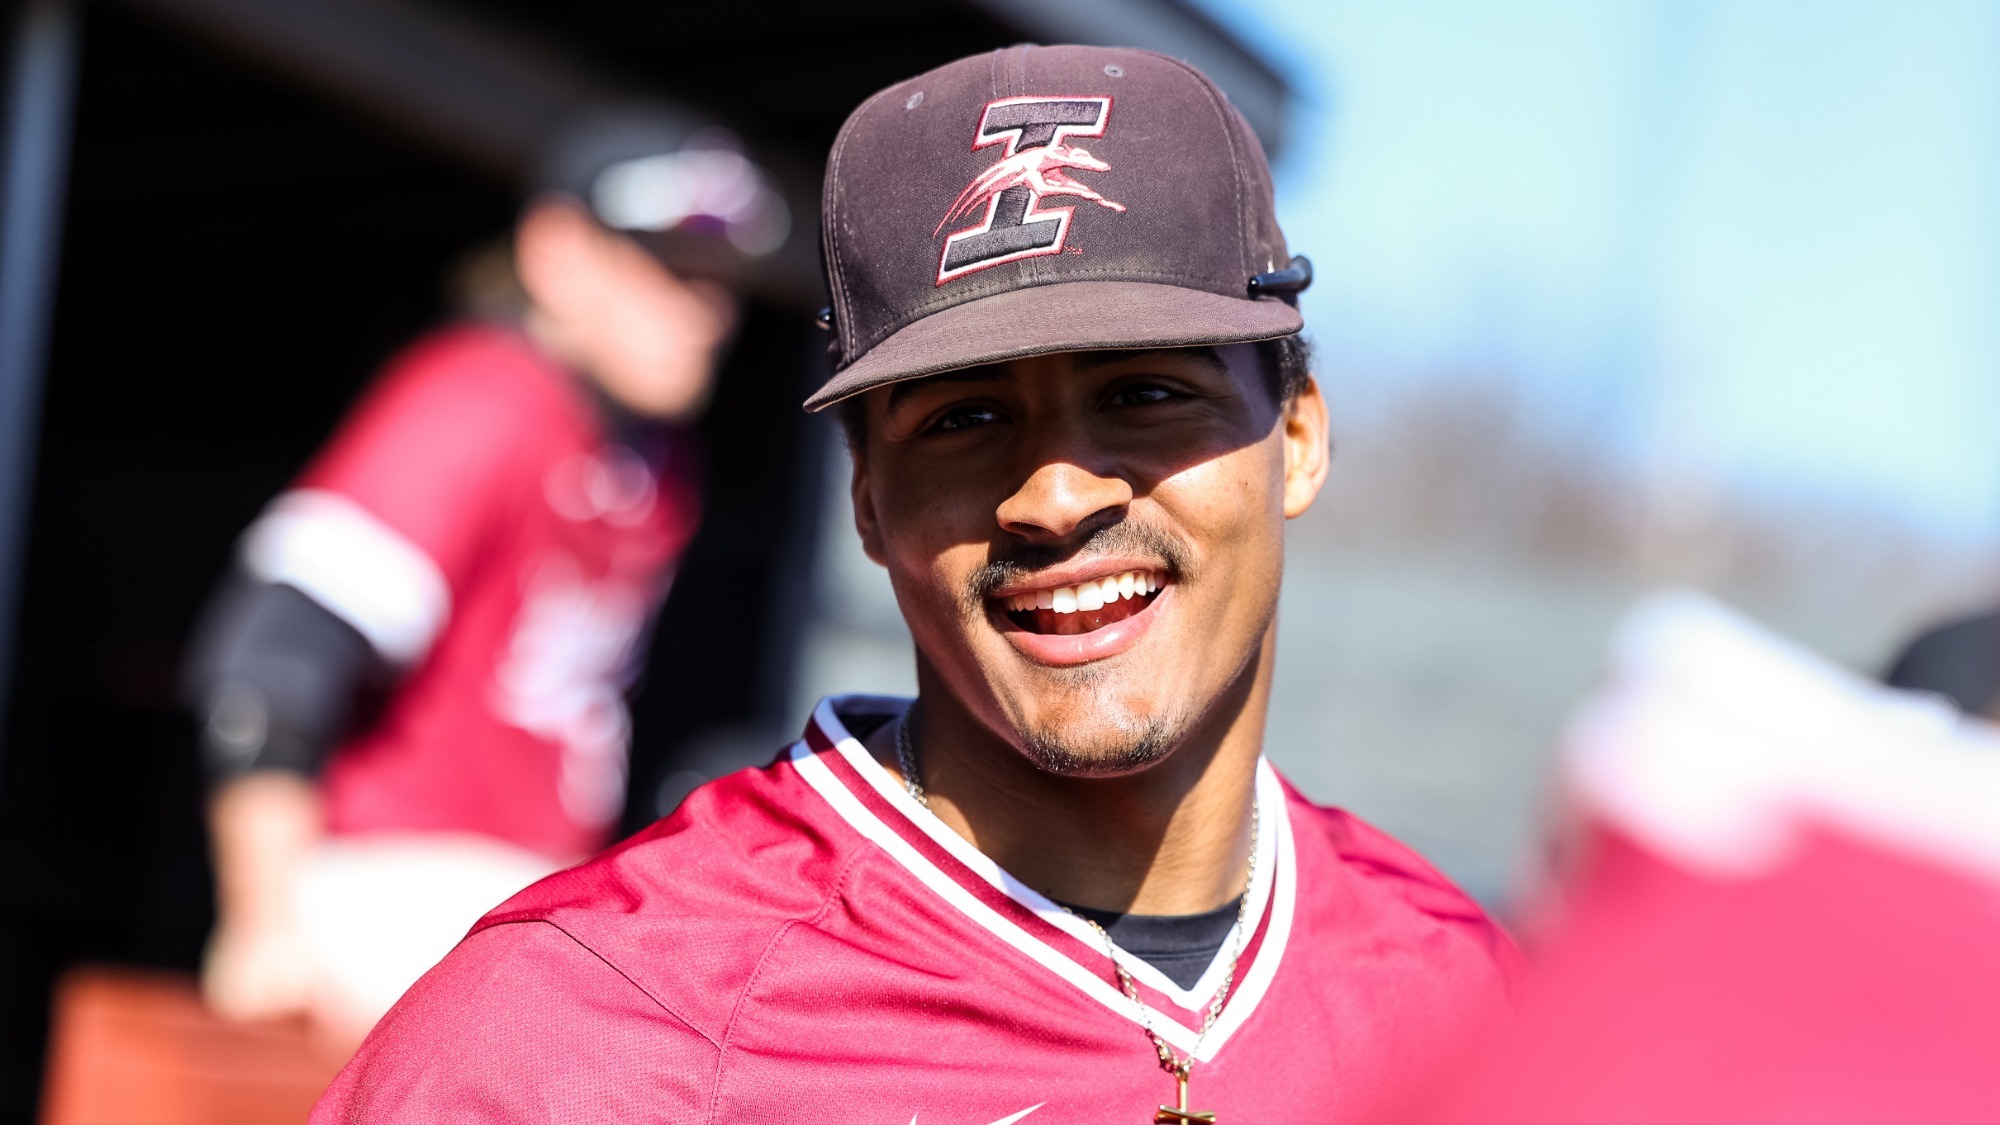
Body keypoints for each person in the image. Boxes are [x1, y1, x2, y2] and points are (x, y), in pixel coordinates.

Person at [314, 45, 1515, 1120]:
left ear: (1297, 437)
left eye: (1145, 392)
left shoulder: (1468, 1001)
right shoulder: (568, 1041)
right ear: (867, 502)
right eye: (966, 415)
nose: (1053, 496)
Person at [183, 116, 788, 1042]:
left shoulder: (658, 459)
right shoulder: (481, 391)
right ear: (559, 251)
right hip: (394, 886)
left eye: (721, 281)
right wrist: (259, 922)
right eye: (669, 269)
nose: (705, 310)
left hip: (534, 899)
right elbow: (273, 654)